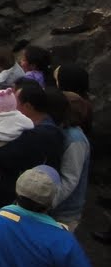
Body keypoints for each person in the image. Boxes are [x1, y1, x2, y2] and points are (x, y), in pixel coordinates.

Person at [0, 81, 67, 209]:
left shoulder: (37, 135)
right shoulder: (49, 126)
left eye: (15, 103)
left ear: (28, 106)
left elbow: (1, 156)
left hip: (18, 200)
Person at [54, 92, 92, 231]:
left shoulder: (75, 140)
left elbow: (69, 179)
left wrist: (46, 202)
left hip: (63, 213)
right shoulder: (63, 131)